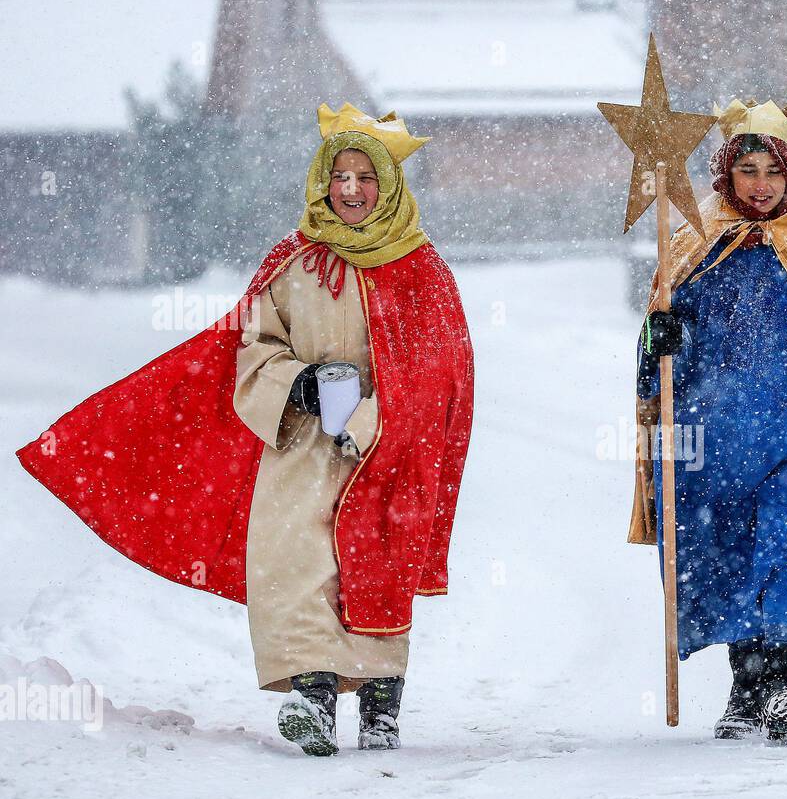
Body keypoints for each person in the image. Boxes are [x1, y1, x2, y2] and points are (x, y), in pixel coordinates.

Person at [16, 103, 474, 756]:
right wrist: (301, 385)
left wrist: (370, 417)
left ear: (388, 185)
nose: (349, 190)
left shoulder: (421, 272)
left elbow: (440, 375)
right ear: (322, 180)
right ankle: (312, 699)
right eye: (339, 177)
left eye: (364, 178)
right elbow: (253, 346)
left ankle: (380, 703)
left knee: (375, 570)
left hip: (383, 452)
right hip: (299, 450)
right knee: (297, 562)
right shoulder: (293, 262)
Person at [630, 99, 787, 741]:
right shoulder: (692, 246)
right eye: (749, 169)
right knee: (727, 564)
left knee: (783, 556)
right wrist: (660, 341)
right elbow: (663, 364)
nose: (762, 183)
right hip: (710, 447)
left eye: (774, 169)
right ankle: (747, 689)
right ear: (727, 174)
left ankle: (784, 687)